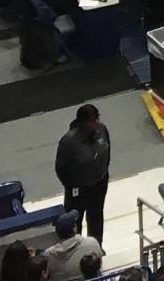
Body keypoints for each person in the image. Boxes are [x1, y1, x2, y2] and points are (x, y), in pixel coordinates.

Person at [54, 103, 112, 243]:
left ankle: (96, 247)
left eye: (97, 119)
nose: (96, 124)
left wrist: (103, 175)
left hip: (99, 184)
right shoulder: (68, 142)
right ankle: (76, 248)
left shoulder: (102, 131)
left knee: (96, 217)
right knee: (75, 220)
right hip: (78, 190)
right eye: (93, 121)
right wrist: (72, 185)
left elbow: (107, 153)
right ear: (83, 123)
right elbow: (60, 168)